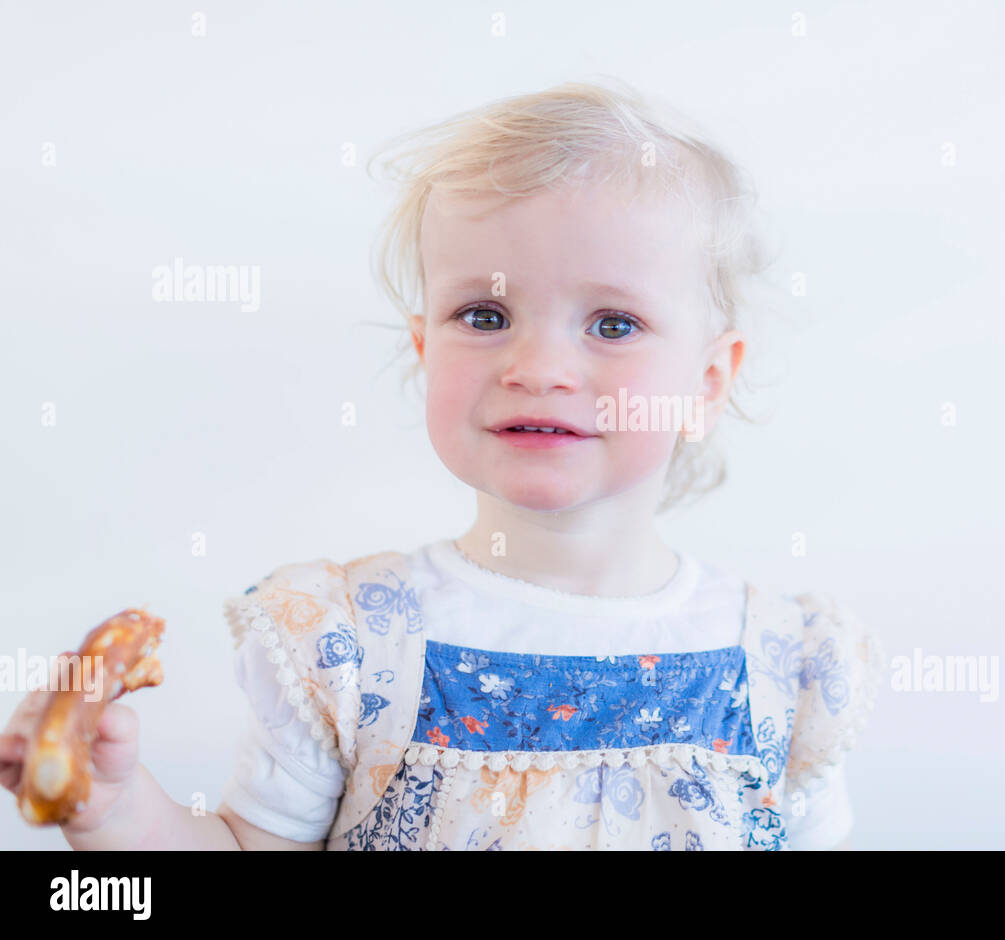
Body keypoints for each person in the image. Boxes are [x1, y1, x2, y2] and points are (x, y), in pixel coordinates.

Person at [2, 78, 885, 850]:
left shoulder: (785, 664)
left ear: (706, 381)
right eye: (485, 316)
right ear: (425, 350)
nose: (537, 366)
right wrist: (114, 813)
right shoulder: (347, 645)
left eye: (612, 325)